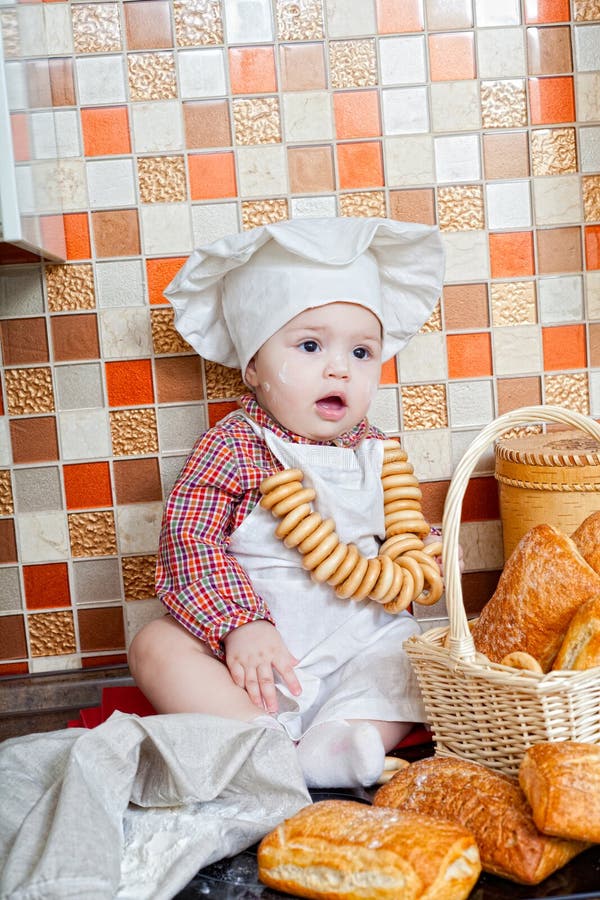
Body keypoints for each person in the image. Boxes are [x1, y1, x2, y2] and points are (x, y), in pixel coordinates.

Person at [128, 216, 445, 788]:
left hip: (357, 643)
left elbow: (392, 539)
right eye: (309, 345)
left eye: (362, 352)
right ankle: (260, 742)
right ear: (253, 366)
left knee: (416, 658)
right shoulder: (234, 446)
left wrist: (421, 554)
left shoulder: (379, 452)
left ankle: (341, 738)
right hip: (256, 661)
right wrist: (240, 626)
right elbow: (189, 540)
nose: (338, 368)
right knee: (154, 646)